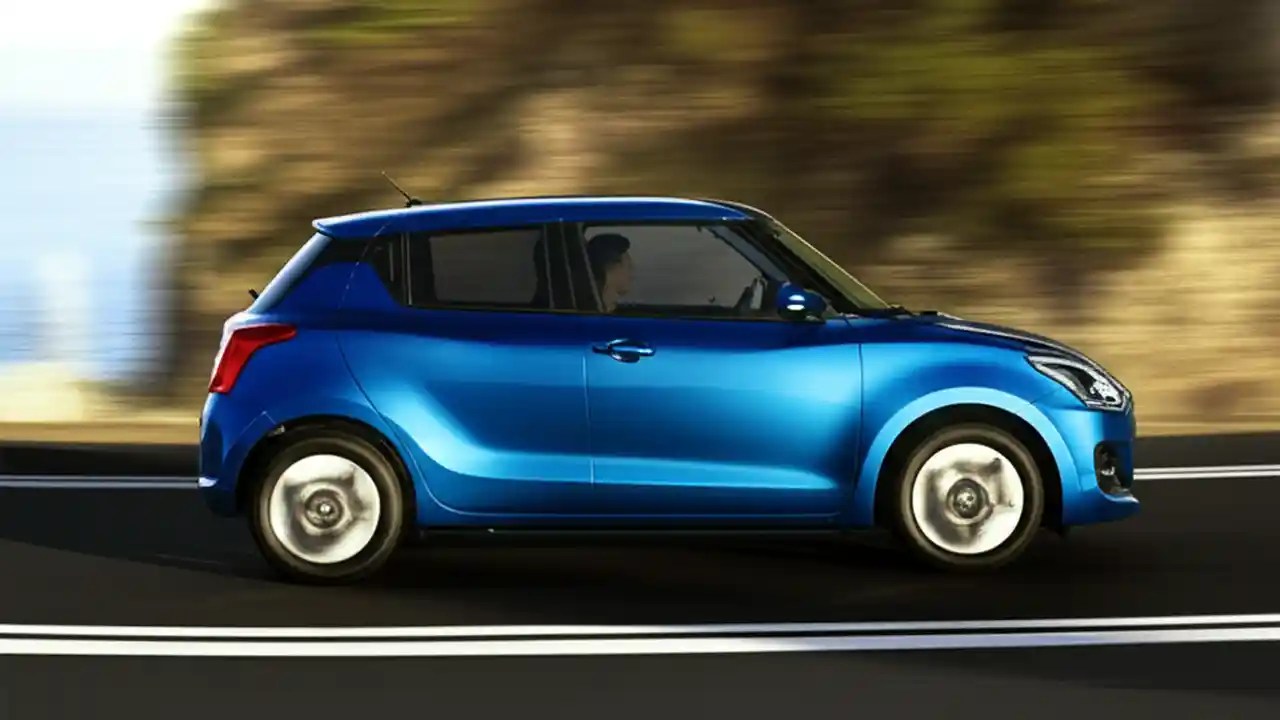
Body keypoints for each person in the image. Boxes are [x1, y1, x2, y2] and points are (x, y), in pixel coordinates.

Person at [586, 233, 633, 312]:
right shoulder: (595, 313)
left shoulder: (602, 307)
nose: (632, 275)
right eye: (629, 267)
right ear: (614, 267)